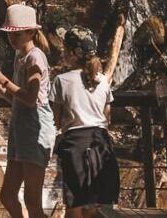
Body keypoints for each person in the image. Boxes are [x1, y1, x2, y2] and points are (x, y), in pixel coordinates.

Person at [0, 3, 55, 218]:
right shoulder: (19, 57)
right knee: (7, 196)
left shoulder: (35, 57)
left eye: (17, 34)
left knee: (32, 201)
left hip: (35, 131)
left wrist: (3, 80)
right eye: (9, 34)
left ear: (31, 32)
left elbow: (31, 98)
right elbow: (18, 98)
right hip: (20, 131)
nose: (11, 38)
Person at [50, 30, 119, 218]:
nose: (62, 51)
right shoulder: (103, 80)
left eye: (65, 48)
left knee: (74, 205)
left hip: (74, 146)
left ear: (73, 53)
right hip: (102, 143)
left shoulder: (61, 81)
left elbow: (56, 120)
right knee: (101, 204)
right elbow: (107, 117)